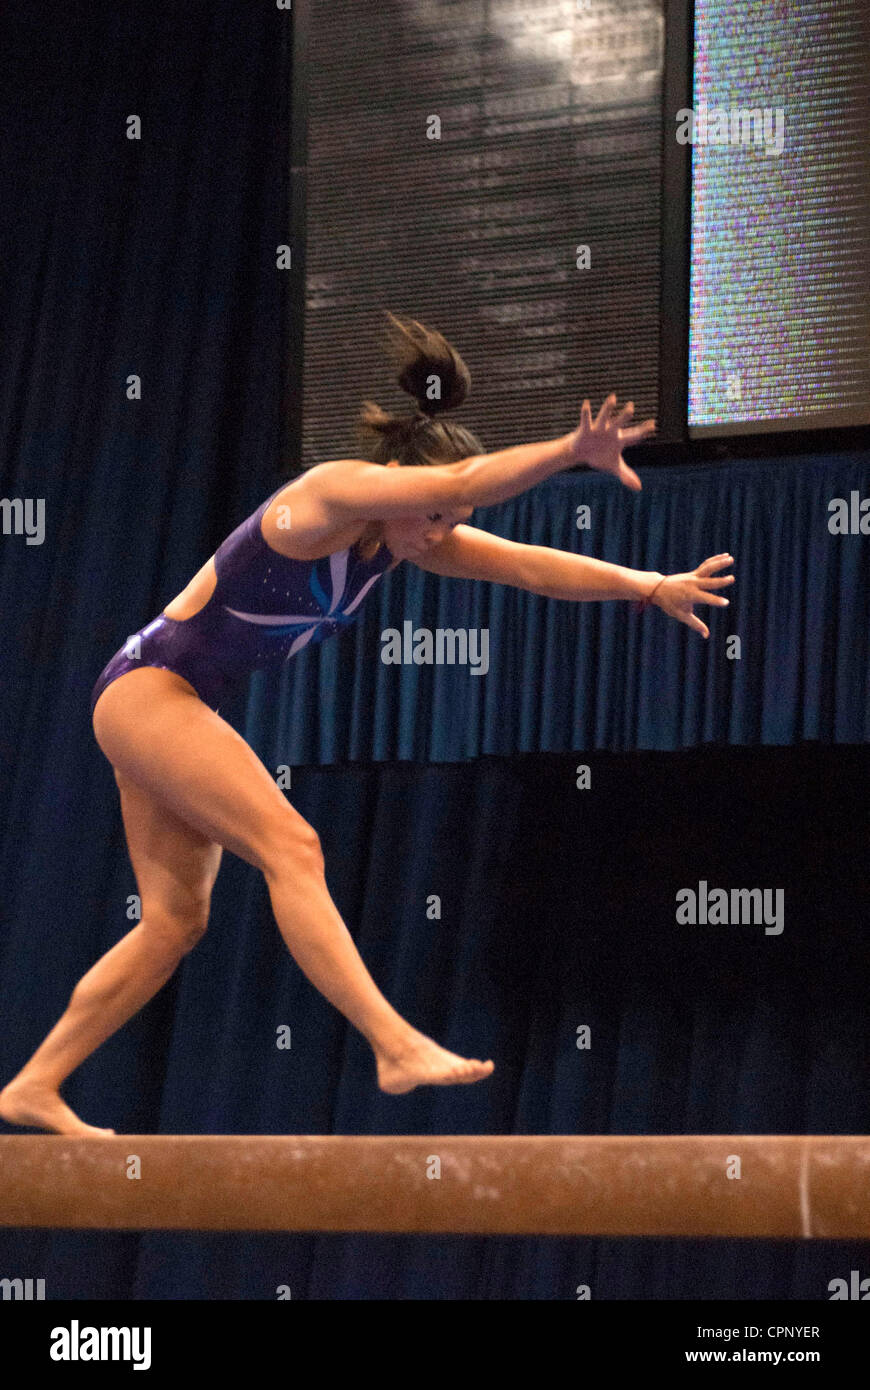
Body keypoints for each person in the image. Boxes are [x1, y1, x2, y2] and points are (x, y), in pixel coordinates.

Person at [0, 312, 734, 1136]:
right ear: (398, 485)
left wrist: (647, 584)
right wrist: (569, 451)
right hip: (149, 689)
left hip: (171, 703)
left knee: (174, 921)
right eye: (433, 514)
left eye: (447, 524)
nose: (445, 532)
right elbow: (458, 488)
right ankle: (392, 1043)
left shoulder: (408, 541)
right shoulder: (326, 497)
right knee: (294, 847)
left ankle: (36, 1082)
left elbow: (530, 566)